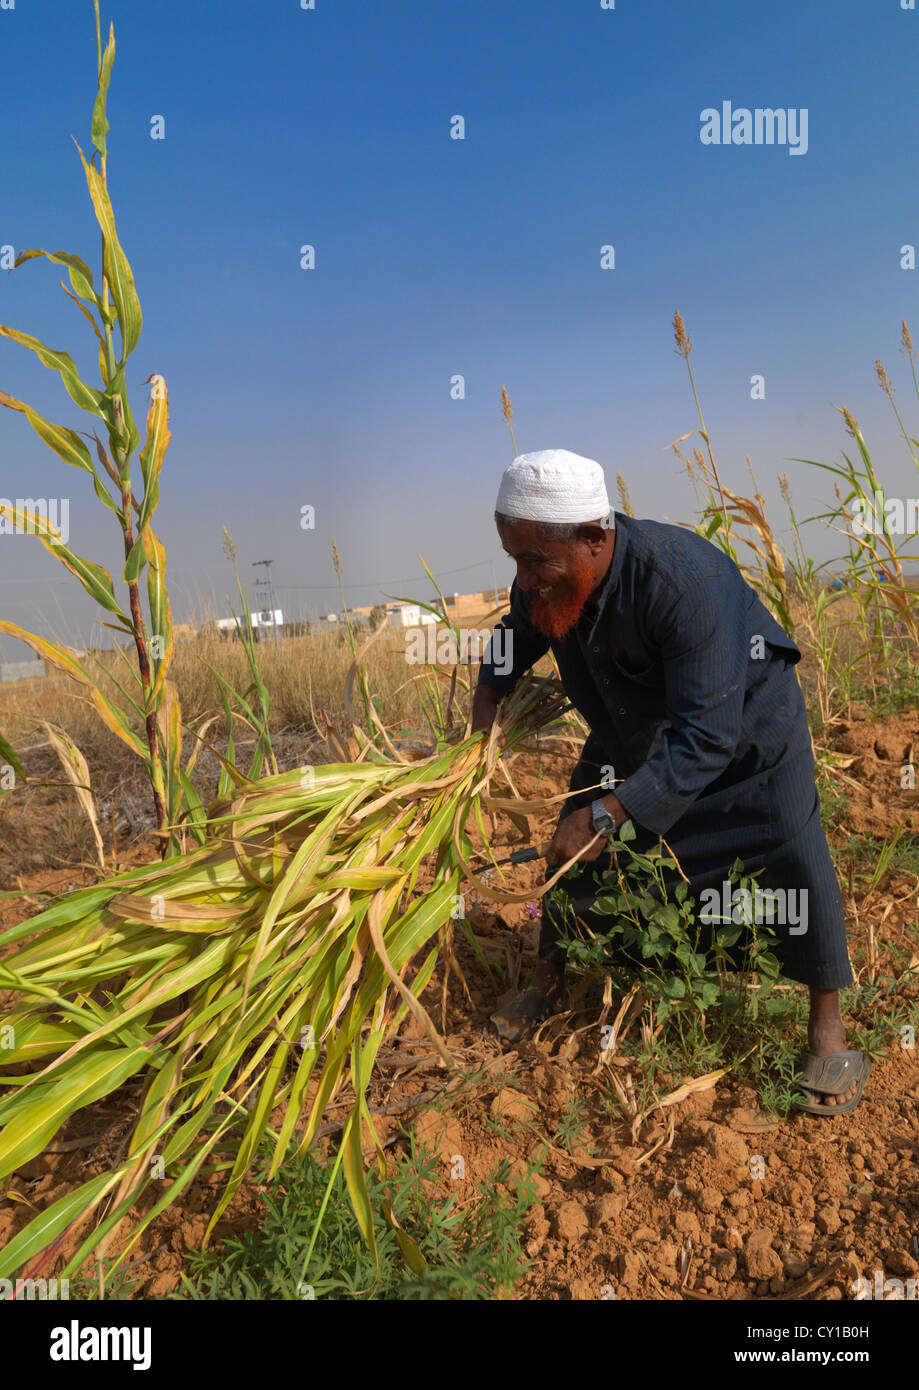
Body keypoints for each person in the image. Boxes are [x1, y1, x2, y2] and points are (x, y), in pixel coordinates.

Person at [471, 449, 870, 1114]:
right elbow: (516, 636)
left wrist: (606, 815)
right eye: (515, 559)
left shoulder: (682, 582)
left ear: (594, 539)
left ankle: (827, 1033)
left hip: (741, 731)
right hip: (632, 725)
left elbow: (705, 737)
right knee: (570, 857)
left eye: (535, 561)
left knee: (791, 853)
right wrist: (485, 704)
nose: (524, 577)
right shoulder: (541, 578)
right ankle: (547, 979)